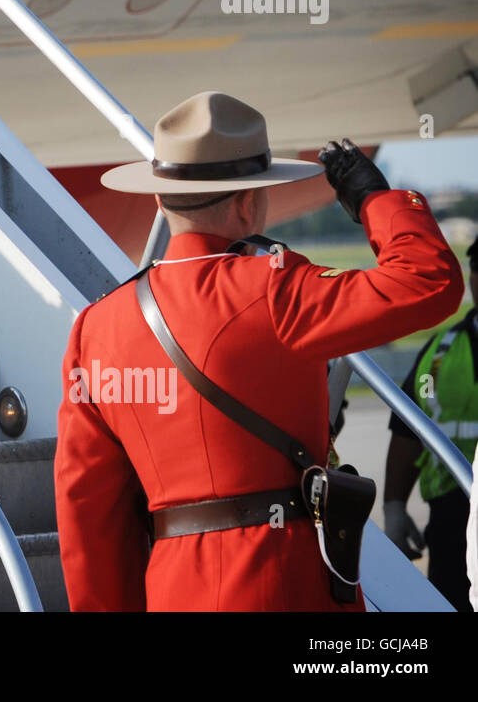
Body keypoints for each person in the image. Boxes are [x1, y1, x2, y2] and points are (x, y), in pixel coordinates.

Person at [54, 91, 463, 611]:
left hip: (173, 592)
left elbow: (87, 515)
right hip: (282, 583)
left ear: (159, 198)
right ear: (250, 201)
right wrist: (376, 201)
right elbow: (428, 281)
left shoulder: (96, 327)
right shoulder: (275, 289)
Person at [382, 235, 478, 611]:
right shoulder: (440, 351)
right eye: (477, 267)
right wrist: (394, 506)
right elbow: (408, 429)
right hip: (450, 523)